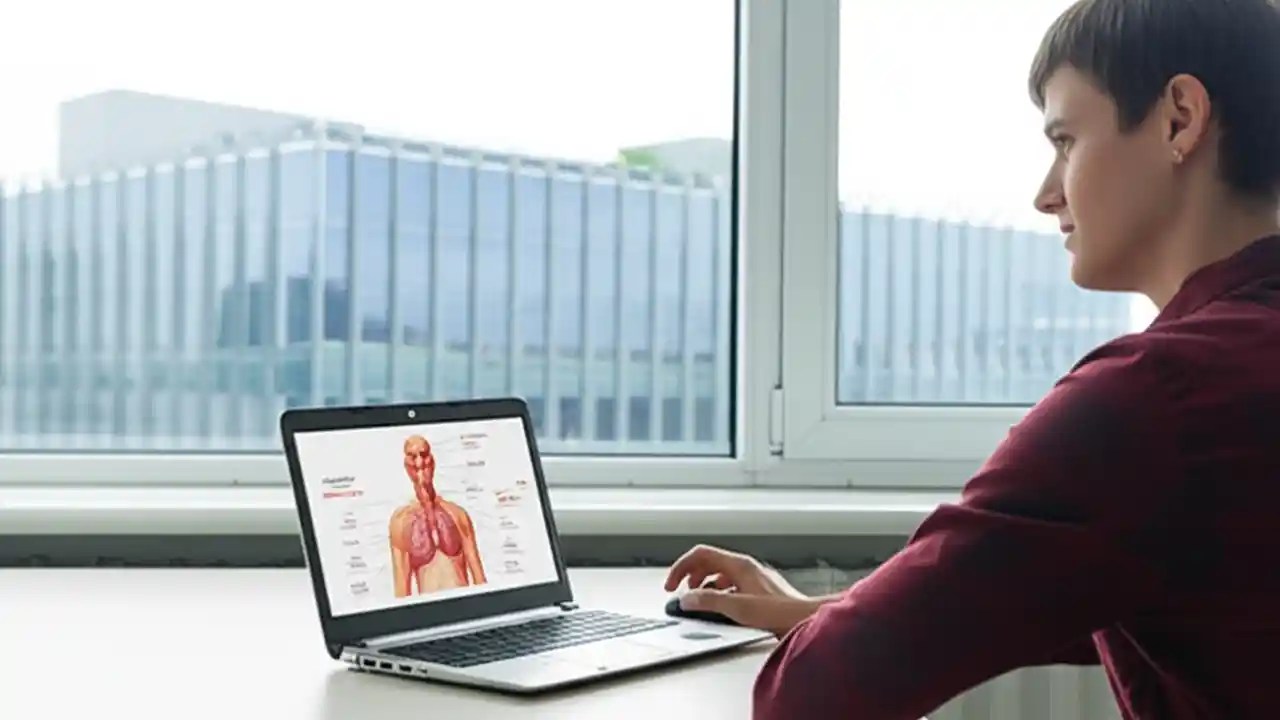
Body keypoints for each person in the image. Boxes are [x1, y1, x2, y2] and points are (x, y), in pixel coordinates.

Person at [664, 0, 1280, 717]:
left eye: (1067, 141)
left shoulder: (1151, 401)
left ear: (1179, 118)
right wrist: (830, 608)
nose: (1046, 193)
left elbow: (811, 694)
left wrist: (838, 631)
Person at [389, 435, 487, 596]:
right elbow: (402, 593)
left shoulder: (458, 515)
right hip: (430, 616)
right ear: (406, 465)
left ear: (432, 460)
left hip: (466, 608)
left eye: (424, 455)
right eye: (412, 457)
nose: (420, 463)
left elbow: (480, 580)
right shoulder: (400, 522)